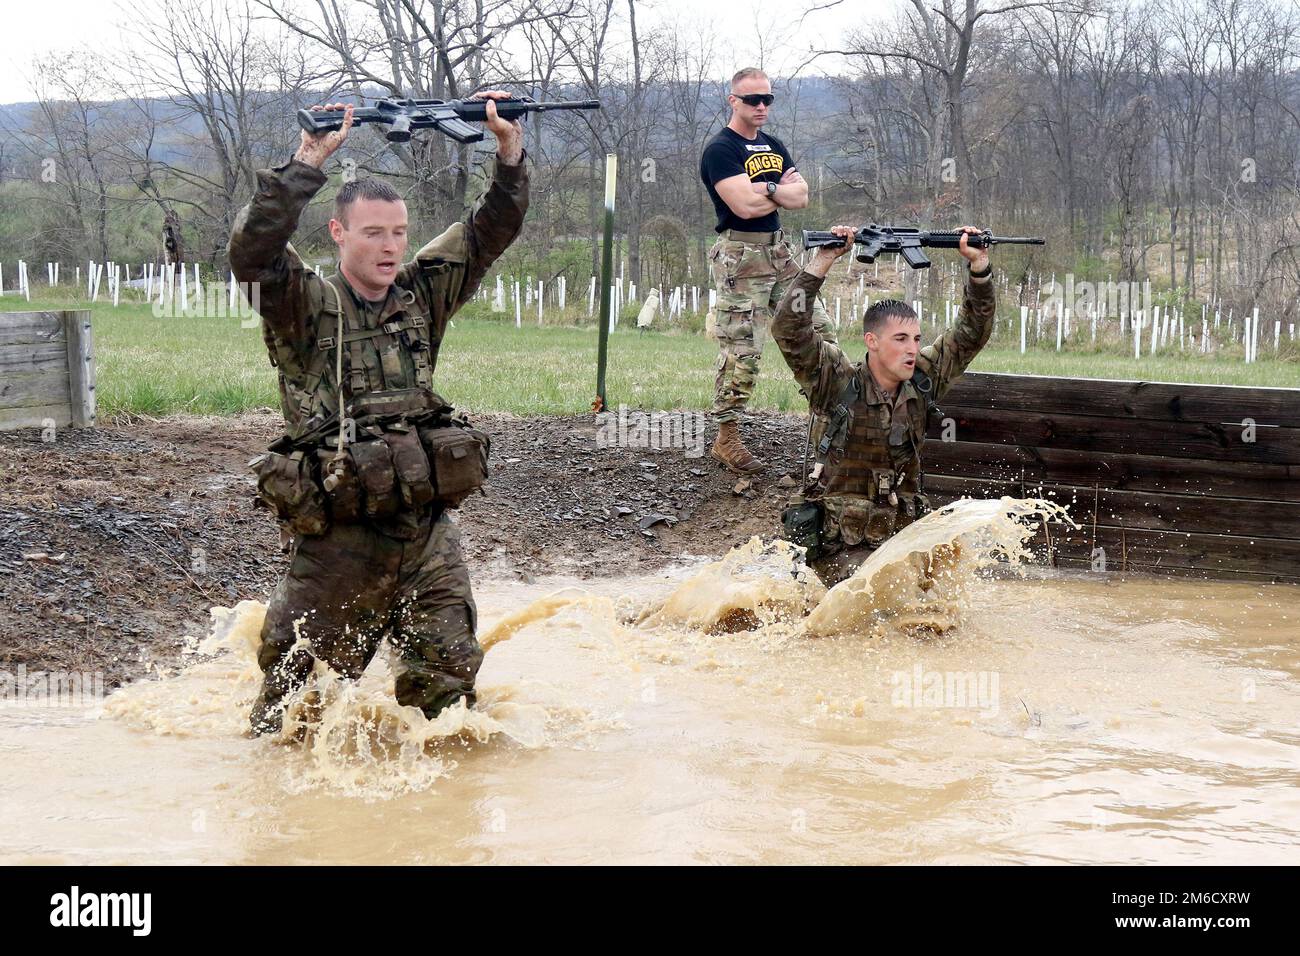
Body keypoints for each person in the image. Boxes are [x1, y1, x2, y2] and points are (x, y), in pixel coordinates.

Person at [227, 92, 528, 735]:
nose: (389, 248)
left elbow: (487, 232)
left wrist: (507, 151)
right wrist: (306, 162)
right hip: (337, 544)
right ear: (338, 233)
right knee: (289, 713)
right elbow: (252, 256)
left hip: (423, 537)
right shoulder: (302, 304)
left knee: (448, 700)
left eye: (398, 234)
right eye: (373, 234)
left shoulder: (422, 295)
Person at [770, 225, 997, 586]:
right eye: (901, 339)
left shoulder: (923, 380)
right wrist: (822, 262)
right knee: (874, 592)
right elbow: (788, 329)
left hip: (899, 542)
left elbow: (971, 333)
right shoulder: (837, 382)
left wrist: (978, 267)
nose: (911, 348)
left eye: (917, 339)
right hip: (839, 552)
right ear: (872, 341)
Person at [699, 66, 837, 473]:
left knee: (818, 331)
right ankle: (726, 438)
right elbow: (742, 207)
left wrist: (768, 189)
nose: (761, 106)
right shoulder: (720, 150)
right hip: (740, 257)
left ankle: (831, 423)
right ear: (733, 101)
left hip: (780, 254)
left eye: (768, 99)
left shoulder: (773, 145)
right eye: (752, 100)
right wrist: (780, 190)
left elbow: (803, 196)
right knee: (743, 350)